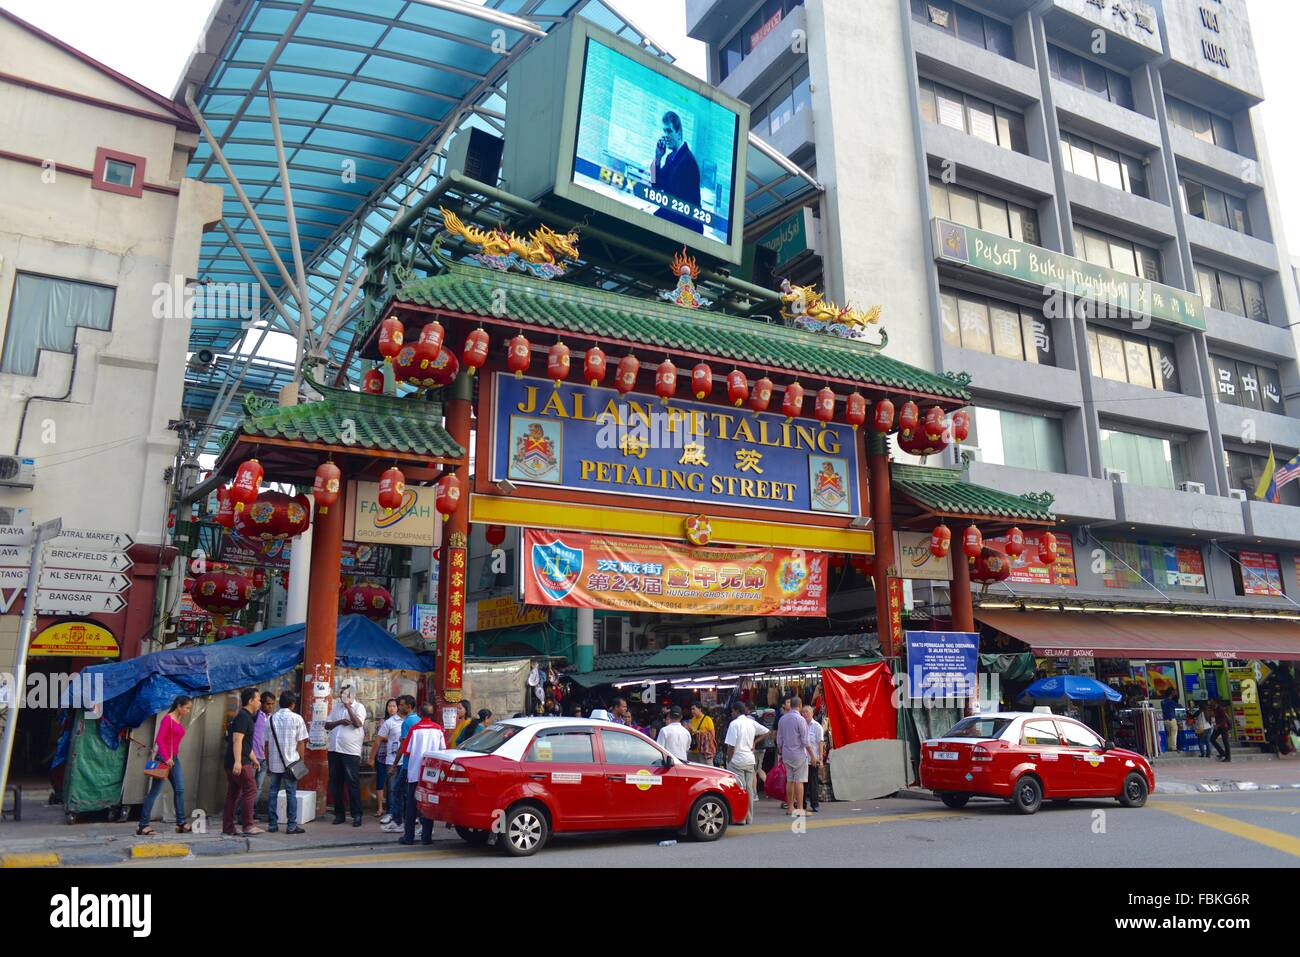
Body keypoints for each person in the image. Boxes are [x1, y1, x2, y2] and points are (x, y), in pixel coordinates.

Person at [137, 695, 193, 835]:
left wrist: (171, 758)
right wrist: (166, 758)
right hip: (164, 759)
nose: (188, 711)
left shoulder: (179, 719)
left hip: (174, 759)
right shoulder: (168, 719)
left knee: (180, 789)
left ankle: (181, 823)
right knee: (154, 792)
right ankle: (143, 825)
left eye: (189, 709)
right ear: (179, 706)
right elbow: (159, 740)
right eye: (186, 708)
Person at [396, 705, 446, 846]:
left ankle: (409, 837)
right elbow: (443, 749)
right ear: (432, 713)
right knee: (428, 805)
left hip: (415, 772)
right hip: (431, 774)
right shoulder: (438, 729)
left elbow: (407, 751)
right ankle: (426, 837)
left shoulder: (414, 729)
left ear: (419, 713)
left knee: (411, 806)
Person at [649, 110, 702, 234]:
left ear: (678, 133)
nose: (665, 136)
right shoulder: (670, 157)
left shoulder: (688, 161)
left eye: (669, 131)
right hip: (675, 218)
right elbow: (656, 186)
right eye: (664, 131)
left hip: (687, 226)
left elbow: (676, 201)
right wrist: (657, 158)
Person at [266, 691, 308, 835]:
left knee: (273, 793)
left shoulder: (270, 719)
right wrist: (301, 761)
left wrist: (268, 763)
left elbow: (266, 744)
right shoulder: (297, 719)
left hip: (274, 763)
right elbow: (301, 743)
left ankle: (272, 824)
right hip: (292, 764)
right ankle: (291, 826)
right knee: (291, 794)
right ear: (292, 704)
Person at [222, 688, 263, 836]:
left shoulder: (245, 716)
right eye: (258, 699)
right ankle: (248, 825)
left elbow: (245, 743)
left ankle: (228, 827)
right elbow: (237, 740)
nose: (260, 702)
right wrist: (238, 762)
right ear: (251, 700)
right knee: (250, 790)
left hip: (237, 760)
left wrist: (254, 759)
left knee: (233, 794)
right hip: (239, 762)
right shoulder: (244, 717)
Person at [325, 684, 367, 826]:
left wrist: (349, 707)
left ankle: (357, 815)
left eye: (344, 694)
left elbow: (358, 724)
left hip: (350, 752)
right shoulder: (336, 707)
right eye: (341, 694)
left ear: (351, 695)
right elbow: (327, 725)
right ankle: (339, 814)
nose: (341, 696)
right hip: (334, 750)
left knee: (352, 783)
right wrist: (340, 722)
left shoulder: (359, 707)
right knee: (336, 783)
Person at [723, 702, 768, 825]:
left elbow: (731, 746)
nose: (731, 713)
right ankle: (749, 817)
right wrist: (755, 742)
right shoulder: (751, 722)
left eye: (732, 711)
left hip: (737, 760)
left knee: (740, 789)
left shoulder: (734, 724)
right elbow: (767, 731)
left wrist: (728, 760)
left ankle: (741, 818)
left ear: (737, 711)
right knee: (749, 789)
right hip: (749, 759)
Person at [384, 696, 418, 833]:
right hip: (416, 763)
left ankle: (398, 821)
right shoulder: (418, 720)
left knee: (397, 790)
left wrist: (394, 765)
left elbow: (403, 747)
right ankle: (412, 820)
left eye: (402, 705)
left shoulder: (407, 722)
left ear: (409, 706)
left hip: (406, 763)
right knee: (409, 793)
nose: (399, 707)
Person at [776, 696, 813, 816]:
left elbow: (779, 740)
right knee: (799, 781)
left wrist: (781, 752)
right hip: (798, 754)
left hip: (786, 754)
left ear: (790, 705)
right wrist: (813, 755)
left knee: (790, 780)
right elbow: (805, 741)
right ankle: (800, 809)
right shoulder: (800, 720)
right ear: (800, 705)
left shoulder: (782, 719)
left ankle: (790, 807)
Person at [372, 698, 400, 819]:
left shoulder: (401, 722)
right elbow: (379, 737)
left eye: (394, 706)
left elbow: (389, 737)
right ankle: (380, 808)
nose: (391, 708)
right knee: (380, 782)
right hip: (381, 756)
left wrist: (387, 736)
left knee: (392, 785)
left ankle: (392, 809)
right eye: (389, 706)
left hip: (394, 758)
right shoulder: (382, 722)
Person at [802, 705, 824, 812]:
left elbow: (820, 743)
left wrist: (821, 759)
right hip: (802, 759)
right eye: (803, 712)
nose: (805, 714)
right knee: (803, 783)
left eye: (807, 712)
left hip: (813, 759)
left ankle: (814, 804)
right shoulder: (801, 725)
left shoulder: (817, 726)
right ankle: (802, 804)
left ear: (812, 713)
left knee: (813, 782)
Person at [1160, 689, 1180, 754]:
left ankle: (1169, 747)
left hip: (1165, 720)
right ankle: (1173, 748)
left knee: (1169, 734)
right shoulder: (1171, 702)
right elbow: (1179, 706)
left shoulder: (1162, 702)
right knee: (1174, 734)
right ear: (1171, 694)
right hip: (1172, 719)